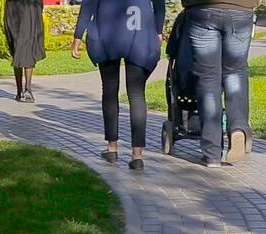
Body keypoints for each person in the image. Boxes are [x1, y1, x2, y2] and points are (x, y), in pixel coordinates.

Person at [72, 0, 166, 170]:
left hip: (107, 35)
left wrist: (78, 35)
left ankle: (112, 148)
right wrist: (158, 30)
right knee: (137, 94)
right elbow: (159, 5)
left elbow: (89, 4)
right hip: (140, 36)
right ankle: (137, 155)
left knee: (109, 90)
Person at [182, 0, 256, 167]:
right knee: (235, 72)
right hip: (241, 9)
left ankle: (212, 152)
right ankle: (238, 127)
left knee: (208, 79)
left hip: (202, 9)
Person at [5, 0, 46, 103]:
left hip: (16, 8)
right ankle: (26, 88)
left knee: (19, 47)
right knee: (25, 45)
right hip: (27, 8)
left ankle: (21, 90)